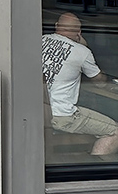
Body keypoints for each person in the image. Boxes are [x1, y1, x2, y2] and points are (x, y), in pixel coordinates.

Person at [42, 12, 118, 156]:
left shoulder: (42, 40)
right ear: (79, 32)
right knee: (115, 131)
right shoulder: (82, 52)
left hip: (38, 112)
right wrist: (85, 47)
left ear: (56, 26)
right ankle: (96, 170)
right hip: (62, 115)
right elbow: (100, 82)